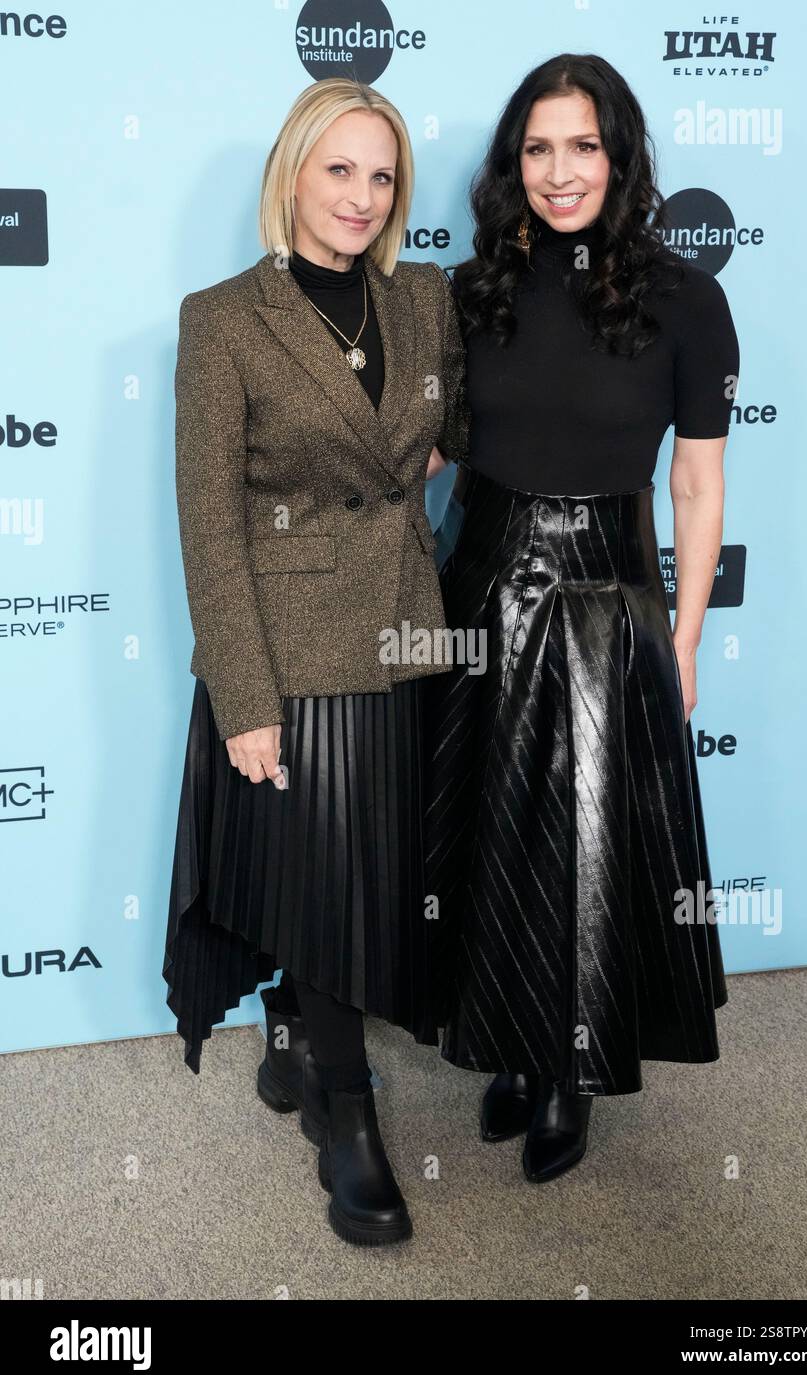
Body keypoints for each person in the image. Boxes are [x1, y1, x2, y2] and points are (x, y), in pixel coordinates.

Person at [163, 76, 467, 1245]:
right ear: (292, 172)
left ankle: (292, 1052)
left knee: (366, 873)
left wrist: (431, 453)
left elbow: (464, 424)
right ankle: (345, 1112)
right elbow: (207, 521)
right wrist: (243, 698)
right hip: (286, 653)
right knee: (328, 879)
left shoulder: (423, 299)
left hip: (402, 627)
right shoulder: (223, 316)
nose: (361, 195)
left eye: (381, 175)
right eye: (339, 169)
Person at [425, 53, 738, 1184]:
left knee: (583, 841)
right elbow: (429, 452)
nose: (560, 173)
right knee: (485, 830)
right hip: (479, 581)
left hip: (609, 592)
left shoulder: (684, 299)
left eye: (583, 146)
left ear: (620, 155)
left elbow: (696, 486)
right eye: (538, 149)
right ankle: (506, 1043)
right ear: (515, 162)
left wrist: (686, 637)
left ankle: (563, 1068)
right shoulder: (471, 293)